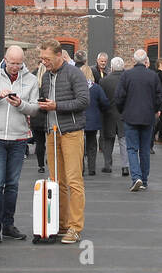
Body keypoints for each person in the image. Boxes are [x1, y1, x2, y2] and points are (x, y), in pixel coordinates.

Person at [0, 44, 39, 241]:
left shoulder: (31, 80)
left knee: (12, 184)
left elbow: (35, 109)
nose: (15, 67)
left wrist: (21, 105)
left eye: (19, 64)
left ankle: (8, 225)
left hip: (19, 138)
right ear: (5, 59)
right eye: (12, 63)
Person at [36, 39, 89, 244]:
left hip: (71, 132)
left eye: (47, 58)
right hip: (52, 132)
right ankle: (62, 223)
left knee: (74, 180)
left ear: (59, 55)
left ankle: (75, 227)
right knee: (56, 180)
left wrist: (56, 105)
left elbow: (84, 101)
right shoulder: (46, 76)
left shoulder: (74, 73)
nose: (44, 62)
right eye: (41, 59)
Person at [114, 49, 162, 191]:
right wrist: (154, 109)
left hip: (130, 117)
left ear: (134, 60)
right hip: (148, 117)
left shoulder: (126, 75)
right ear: (146, 61)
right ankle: (145, 180)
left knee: (131, 148)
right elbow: (160, 97)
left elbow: (118, 97)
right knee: (145, 149)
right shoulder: (153, 76)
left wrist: (123, 110)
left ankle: (136, 177)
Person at [97, 56, 124, 174]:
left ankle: (107, 164)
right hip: (123, 113)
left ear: (112, 67)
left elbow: (101, 99)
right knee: (123, 140)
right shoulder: (127, 79)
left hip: (108, 114)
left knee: (108, 140)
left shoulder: (104, 81)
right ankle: (125, 166)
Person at [82, 66, 109, 176]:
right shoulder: (96, 88)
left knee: (79, 146)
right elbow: (105, 102)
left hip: (79, 120)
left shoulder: (76, 88)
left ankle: (81, 168)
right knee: (92, 144)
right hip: (93, 120)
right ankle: (91, 168)